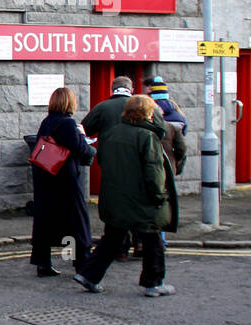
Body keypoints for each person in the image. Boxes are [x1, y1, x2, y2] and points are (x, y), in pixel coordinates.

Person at [74, 95, 178, 297]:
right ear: (148, 113)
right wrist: (160, 196)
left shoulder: (112, 133)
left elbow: (102, 160)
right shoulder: (147, 137)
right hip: (141, 198)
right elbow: (154, 172)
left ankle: (89, 274)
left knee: (112, 238)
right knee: (152, 238)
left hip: (115, 196)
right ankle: (153, 283)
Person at [29, 87, 97, 277]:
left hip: (45, 176)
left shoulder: (47, 121)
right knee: (76, 221)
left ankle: (43, 264)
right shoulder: (68, 124)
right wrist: (83, 136)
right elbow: (80, 149)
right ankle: (81, 265)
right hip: (65, 179)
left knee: (45, 220)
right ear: (70, 102)